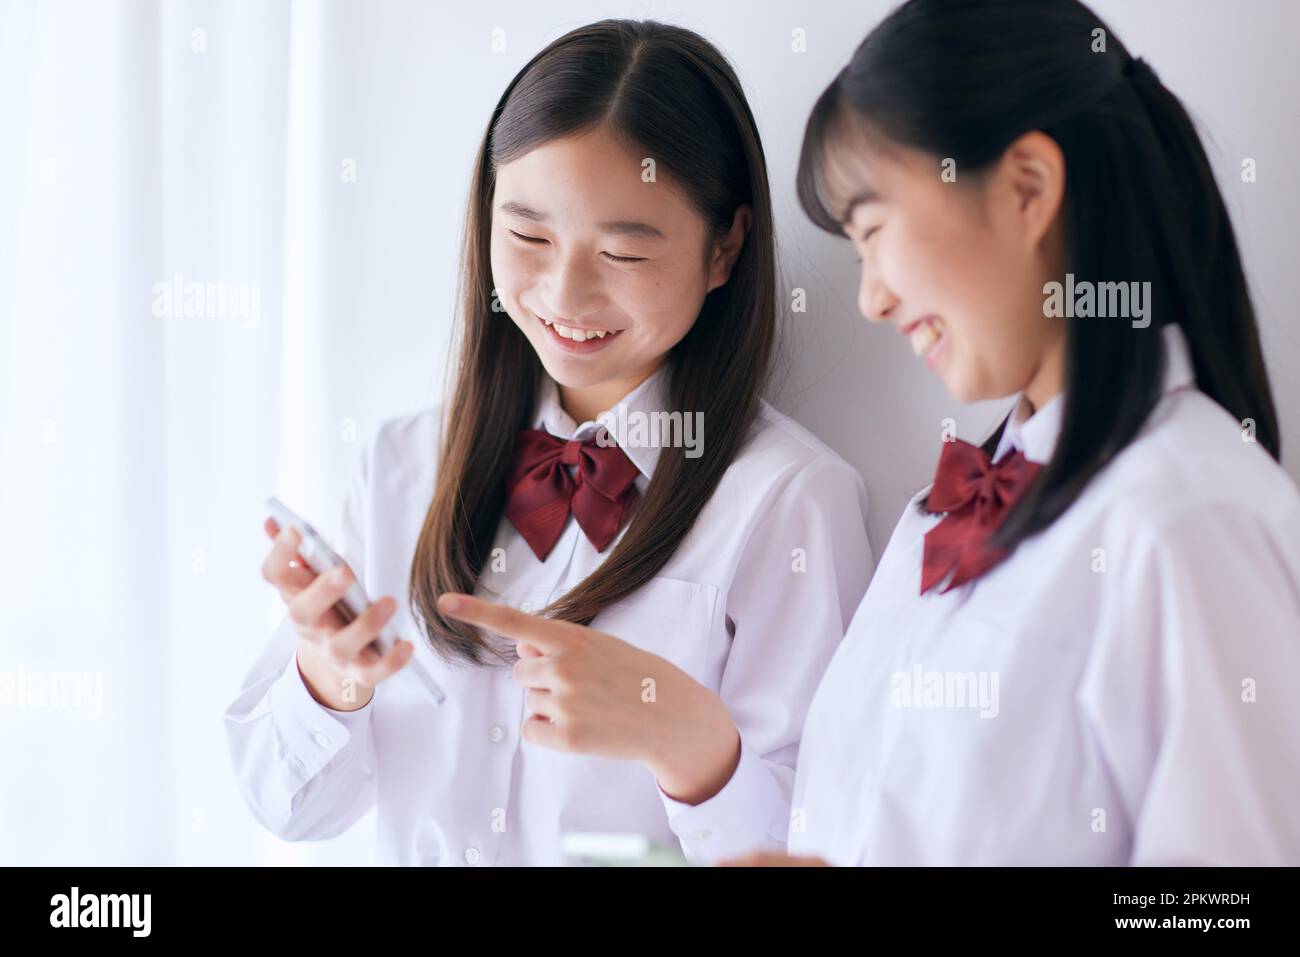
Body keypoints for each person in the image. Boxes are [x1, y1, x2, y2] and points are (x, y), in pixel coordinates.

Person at [224, 19, 872, 866]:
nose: (565, 292)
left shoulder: (789, 500)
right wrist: (329, 677)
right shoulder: (401, 466)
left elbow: (837, 838)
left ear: (726, 246)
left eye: (623, 251)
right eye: (528, 236)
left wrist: (686, 742)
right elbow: (286, 809)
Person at [721, 0, 1300, 866]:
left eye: (875, 233)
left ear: (1028, 186)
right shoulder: (946, 509)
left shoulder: (1190, 519)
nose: (871, 298)